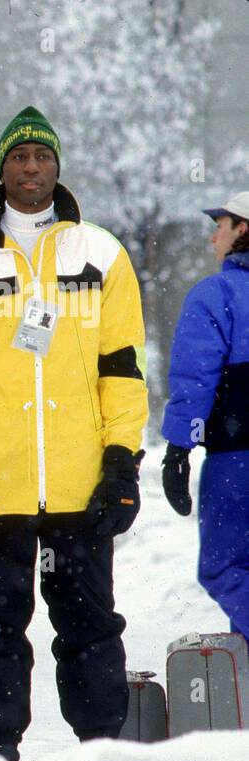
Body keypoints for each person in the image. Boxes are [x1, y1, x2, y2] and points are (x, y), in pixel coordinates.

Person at [0, 107, 148, 761]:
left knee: (90, 631)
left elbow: (123, 370)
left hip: (81, 489)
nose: (31, 169)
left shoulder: (100, 253)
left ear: (57, 166)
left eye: (42, 157)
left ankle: (100, 759)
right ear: (2, 169)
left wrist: (121, 465)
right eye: (20, 158)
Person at [161, 191, 249, 639]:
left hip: (237, 458)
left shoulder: (216, 295)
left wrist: (178, 449)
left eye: (222, 224)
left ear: (243, 231)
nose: (214, 234)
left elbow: (195, 378)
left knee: (225, 568)